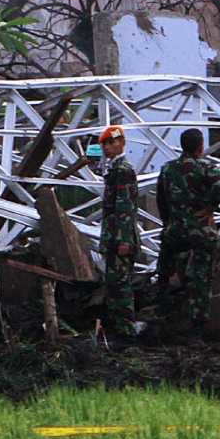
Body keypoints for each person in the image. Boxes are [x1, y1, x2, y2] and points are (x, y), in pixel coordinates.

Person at [154, 128, 220, 335]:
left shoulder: (168, 169)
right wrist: (210, 208)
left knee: (164, 272)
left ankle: (162, 313)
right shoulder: (207, 168)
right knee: (201, 276)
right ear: (200, 146)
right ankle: (197, 325)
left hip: (175, 229)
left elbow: (161, 199)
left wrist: (168, 221)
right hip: (200, 231)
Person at [94, 125, 141, 339]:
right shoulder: (115, 169)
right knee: (114, 283)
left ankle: (126, 331)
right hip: (114, 236)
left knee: (120, 285)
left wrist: (123, 240)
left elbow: (125, 207)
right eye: (104, 144)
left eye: (110, 143)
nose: (106, 148)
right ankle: (118, 330)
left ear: (120, 143)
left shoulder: (122, 171)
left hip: (119, 238)